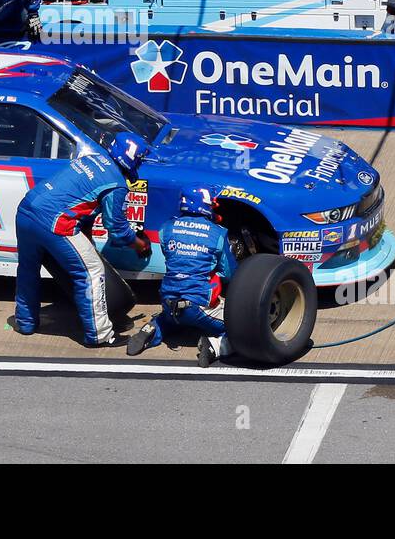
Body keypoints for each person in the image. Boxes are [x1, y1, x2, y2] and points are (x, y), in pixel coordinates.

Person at [13, 133, 153, 348]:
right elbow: (116, 228)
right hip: (54, 223)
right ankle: (100, 334)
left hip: (26, 210)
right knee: (92, 272)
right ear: (131, 157)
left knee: (28, 269)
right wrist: (138, 243)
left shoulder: (90, 159)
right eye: (140, 158)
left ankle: (25, 323)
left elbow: (82, 206)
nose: (141, 163)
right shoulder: (117, 184)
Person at [126, 185, 236, 367]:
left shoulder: (167, 228)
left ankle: (153, 328)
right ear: (204, 205)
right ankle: (215, 347)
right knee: (243, 328)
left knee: (175, 317)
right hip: (199, 306)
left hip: (168, 302)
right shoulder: (218, 233)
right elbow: (229, 273)